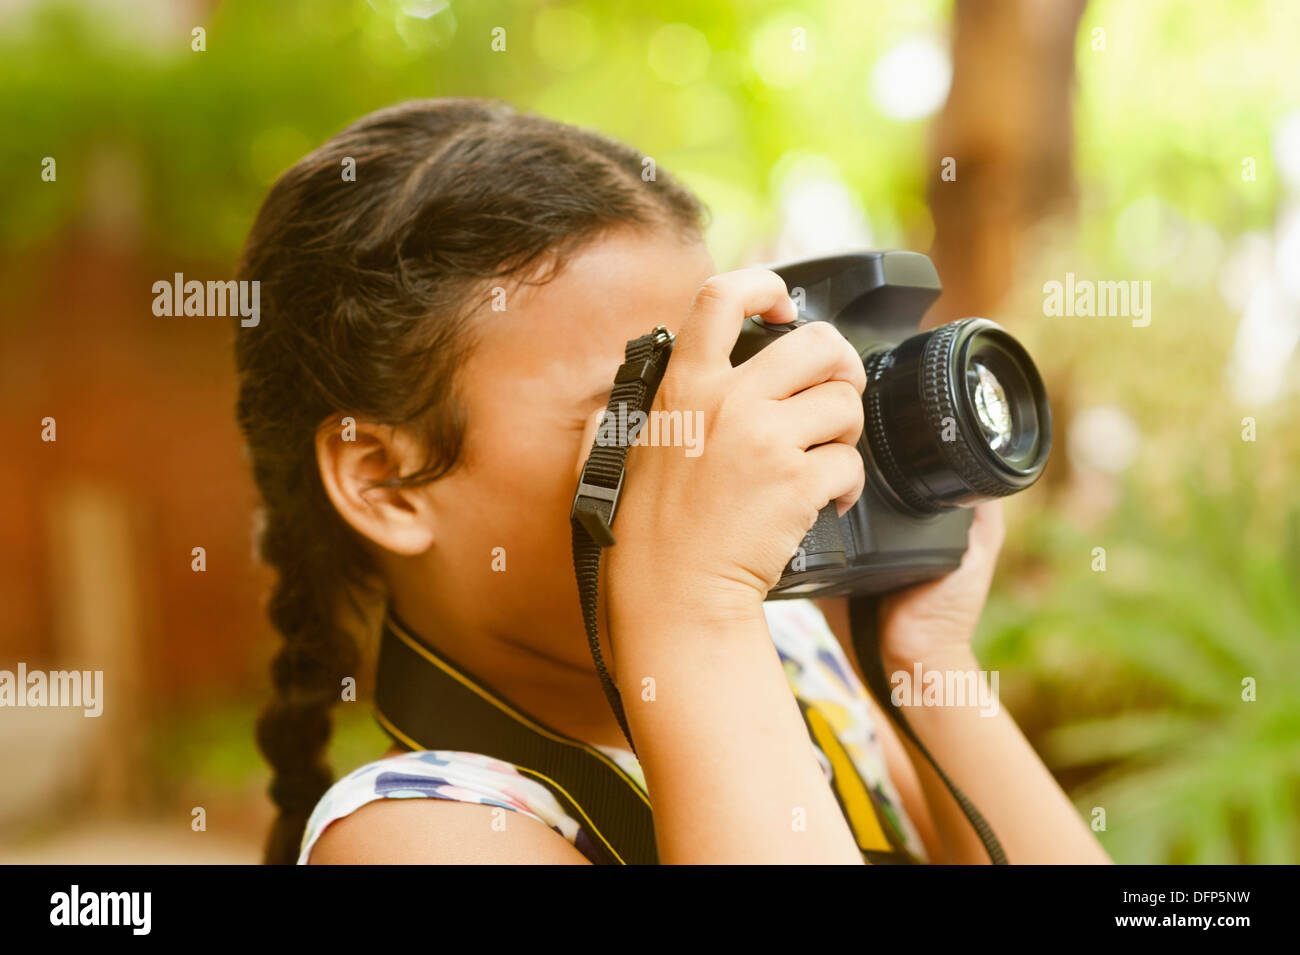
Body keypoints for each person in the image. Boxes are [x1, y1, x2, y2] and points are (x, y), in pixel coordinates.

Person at [234, 98, 1111, 865]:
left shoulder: (794, 664)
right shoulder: (420, 833)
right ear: (385, 482)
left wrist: (920, 659)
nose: (707, 437)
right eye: (645, 399)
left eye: (717, 373)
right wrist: (691, 611)